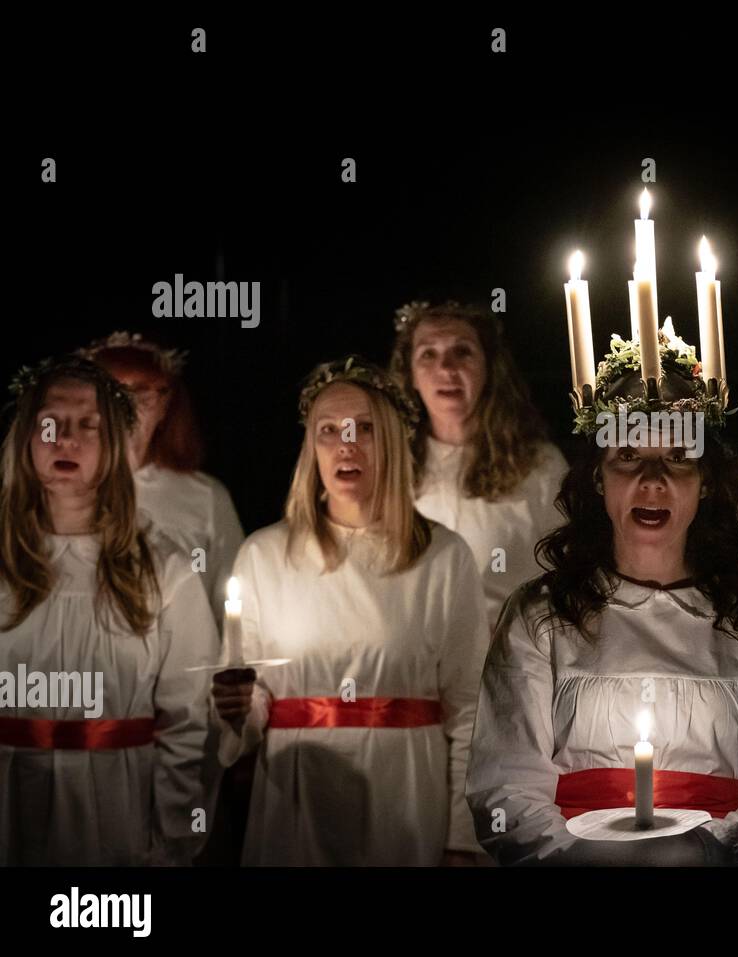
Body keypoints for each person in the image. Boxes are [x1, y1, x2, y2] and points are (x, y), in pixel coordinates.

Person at [466, 324, 738, 865]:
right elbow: (505, 784)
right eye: (628, 456)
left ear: (706, 480)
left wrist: (705, 852)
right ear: (598, 478)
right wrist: (586, 858)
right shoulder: (540, 615)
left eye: (678, 458)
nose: (653, 480)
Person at [209, 356, 490, 865]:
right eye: (329, 430)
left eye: (364, 428)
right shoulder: (264, 556)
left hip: (404, 793)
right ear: (311, 449)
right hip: (297, 793)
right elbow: (252, 703)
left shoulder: (443, 557)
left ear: (394, 441)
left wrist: (461, 840)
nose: (346, 444)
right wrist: (236, 709)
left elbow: (470, 711)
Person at [0, 355, 218, 865]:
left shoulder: (164, 569)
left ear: (115, 444)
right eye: (50, 423)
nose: (65, 439)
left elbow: (189, 720)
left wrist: (172, 840)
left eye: (88, 426)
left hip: (116, 805)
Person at [390, 300, 567, 629]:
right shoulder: (391, 467)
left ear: (488, 367)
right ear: (410, 374)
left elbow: (570, 571)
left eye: (463, 352)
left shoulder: (539, 466)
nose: (446, 368)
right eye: (428, 354)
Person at [82, 331, 245, 622]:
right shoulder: (61, 491)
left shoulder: (205, 496)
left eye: (142, 396)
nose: (127, 410)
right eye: (111, 395)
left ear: (165, 406)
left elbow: (230, 601)